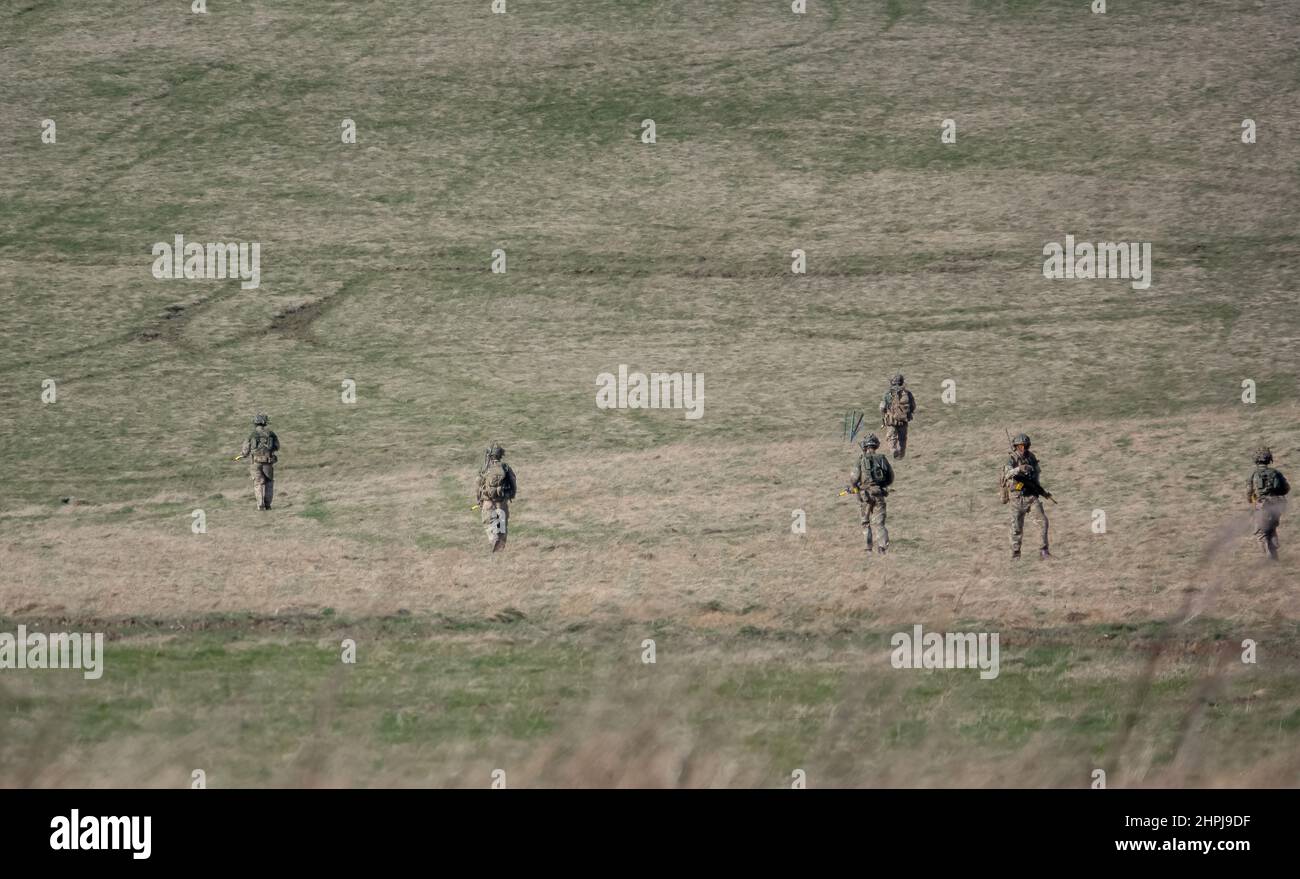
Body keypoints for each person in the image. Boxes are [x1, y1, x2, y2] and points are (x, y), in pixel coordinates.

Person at [849, 434, 893, 554]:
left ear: (865, 446)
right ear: (876, 445)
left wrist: (855, 488)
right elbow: (890, 478)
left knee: (865, 523)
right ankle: (882, 548)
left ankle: (868, 549)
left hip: (865, 497)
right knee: (880, 524)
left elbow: (854, 478)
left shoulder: (861, 459)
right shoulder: (882, 459)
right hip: (879, 494)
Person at [1247, 448, 1289, 561]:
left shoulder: (1254, 475)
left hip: (1262, 506)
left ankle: (1270, 559)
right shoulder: (1276, 473)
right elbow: (1286, 489)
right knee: (1271, 529)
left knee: (1260, 533)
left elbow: (1249, 493)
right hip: (1277, 506)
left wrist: (1252, 502)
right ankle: (1275, 554)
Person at [476, 443, 518, 553]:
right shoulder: (505, 468)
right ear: (500, 455)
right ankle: (500, 553)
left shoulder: (485, 469)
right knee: (502, 529)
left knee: (489, 526)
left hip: (487, 503)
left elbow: (478, 485)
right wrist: (510, 495)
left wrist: (479, 500)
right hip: (501, 503)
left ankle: (494, 541)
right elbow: (513, 482)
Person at [240, 414, 280, 510]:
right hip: (268, 463)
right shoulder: (271, 434)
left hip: (255, 463)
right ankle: (268, 505)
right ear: (265, 422)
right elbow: (277, 446)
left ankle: (260, 505)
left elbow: (245, 452)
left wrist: (241, 455)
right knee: (269, 483)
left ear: (255, 422)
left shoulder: (252, 435)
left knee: (258, 483)